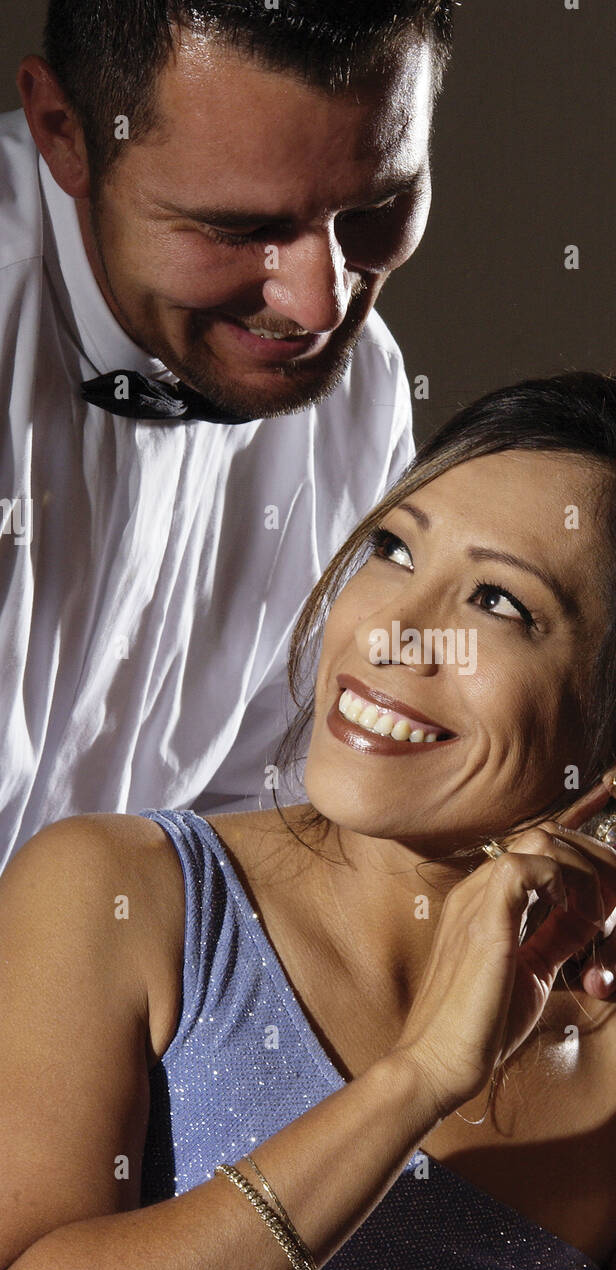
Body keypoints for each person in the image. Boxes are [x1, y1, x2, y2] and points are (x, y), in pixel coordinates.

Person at [2, 330, 616, 1270]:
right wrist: (413, 1081)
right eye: (394, 548)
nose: (396, 629)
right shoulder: (122, 896)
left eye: (498, 602)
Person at [0, 0, 451, 873]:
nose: (319, 306)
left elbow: (264, 839)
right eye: (238, 230)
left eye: (376, 207)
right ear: (64, 133)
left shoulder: (363, 387)